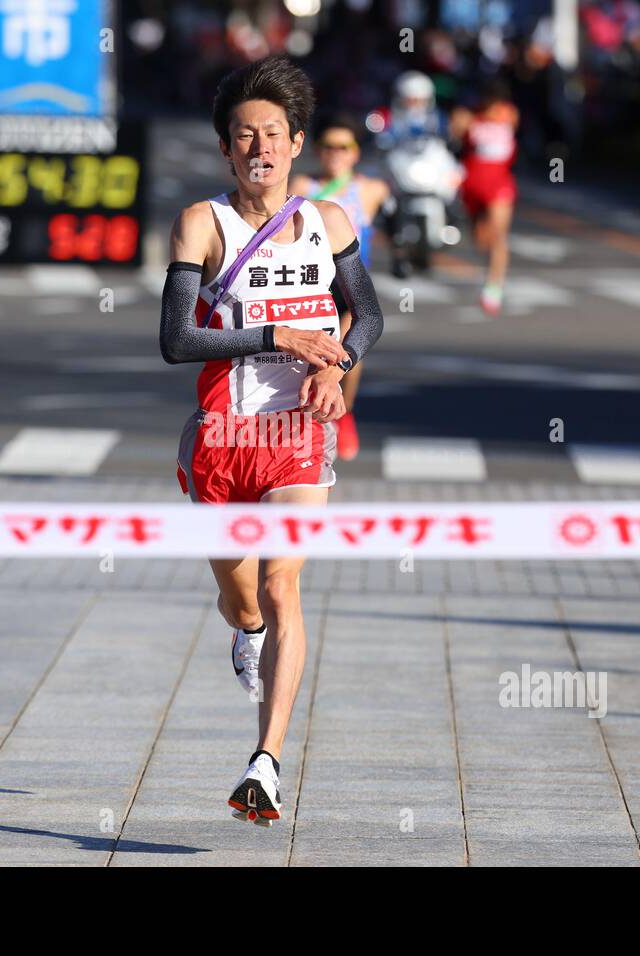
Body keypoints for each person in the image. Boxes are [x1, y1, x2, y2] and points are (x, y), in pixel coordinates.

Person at [159, 55, 384, 826]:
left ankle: (267, 763)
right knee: (241, 594)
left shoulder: (329, 223)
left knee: (286, 584)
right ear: (227, 148)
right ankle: (246, 630)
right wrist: (277, 332)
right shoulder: (201, 224)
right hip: (221, 434)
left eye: (274, 134)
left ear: (296, 144)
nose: (261, 147)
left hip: (298, 433)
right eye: (245, 135)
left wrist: (339, 364)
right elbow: (176, 340)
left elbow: (370, 316)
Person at [291, 115, 390, 462]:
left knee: (348, 345)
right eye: (329, 147)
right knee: (312, 353)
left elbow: (392, 225)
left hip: (350, 279)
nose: (335, 153)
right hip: (313, 280)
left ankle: (345, 412)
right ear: (319, 151)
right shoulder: (304, 184)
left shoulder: (370, 189)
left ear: (355, 153)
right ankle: (310, 417)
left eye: (343, 147)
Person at [450, 78, 519, 315]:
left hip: (499, 184)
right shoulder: (469, 118)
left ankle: (494, 286)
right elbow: (455, 135)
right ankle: (490, 267)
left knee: (499, 235)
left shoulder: (509, 116)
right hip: (472, 183)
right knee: (481, 238)